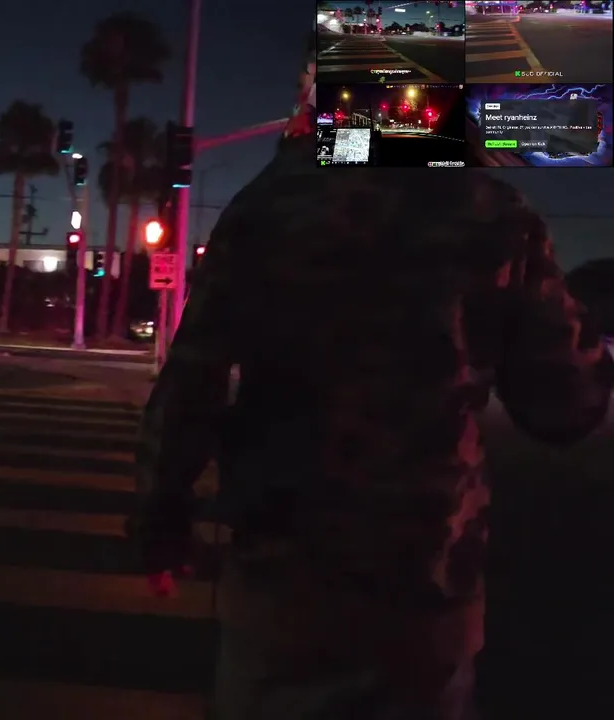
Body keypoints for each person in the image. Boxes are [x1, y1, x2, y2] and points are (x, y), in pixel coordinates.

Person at [130, 33, 614, 720]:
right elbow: (566, 406)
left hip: (281, 581)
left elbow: (192, 380)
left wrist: (162, 514)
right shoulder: (496, 214)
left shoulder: (265, 210)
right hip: (424, 591)